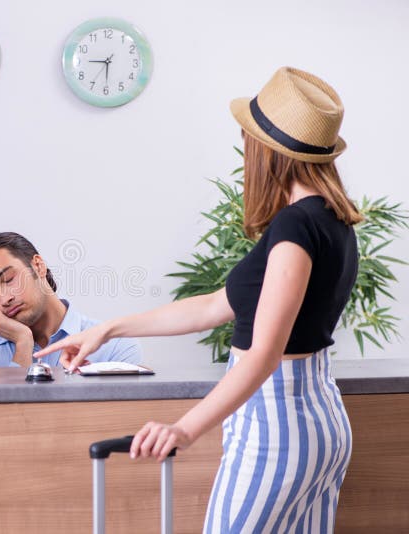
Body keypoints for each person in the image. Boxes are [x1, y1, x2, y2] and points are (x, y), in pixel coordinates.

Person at [35, 67, 361, 533]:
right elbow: (214, 305)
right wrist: (108, 328)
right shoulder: (332, 221)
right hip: (321, 421)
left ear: (267, 151)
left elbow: (264, 355)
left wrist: (183, 429)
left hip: (276, 428)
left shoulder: (294, 226)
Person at [0, 232, 143, 368]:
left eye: (9, 279)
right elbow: (1, 417)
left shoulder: (114, 346)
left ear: (38, 266)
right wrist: (23, 345)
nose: (4, 299)